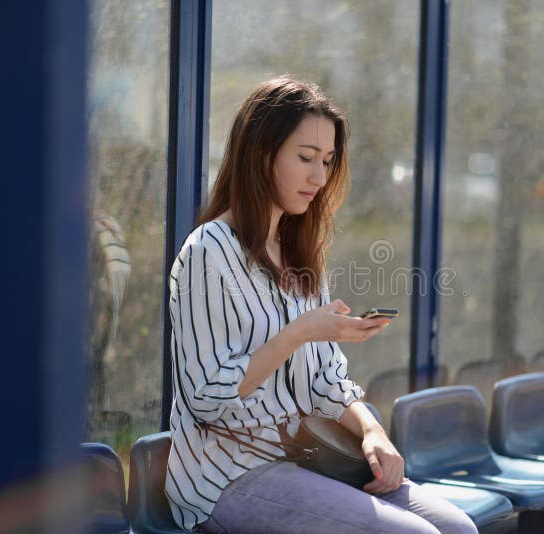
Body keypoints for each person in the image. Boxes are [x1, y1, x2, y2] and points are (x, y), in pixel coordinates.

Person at [165, 76, 477, 534]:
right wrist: (300, 332)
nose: (318, 176)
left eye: (327, 161)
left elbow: (326, 381)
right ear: (260, 152)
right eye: (306, 158)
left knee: (458, 528)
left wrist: (372, 431)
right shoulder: (206, 252)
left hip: (305, 457)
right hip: (228, 474)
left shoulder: (298, 251)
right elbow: (207, 398)